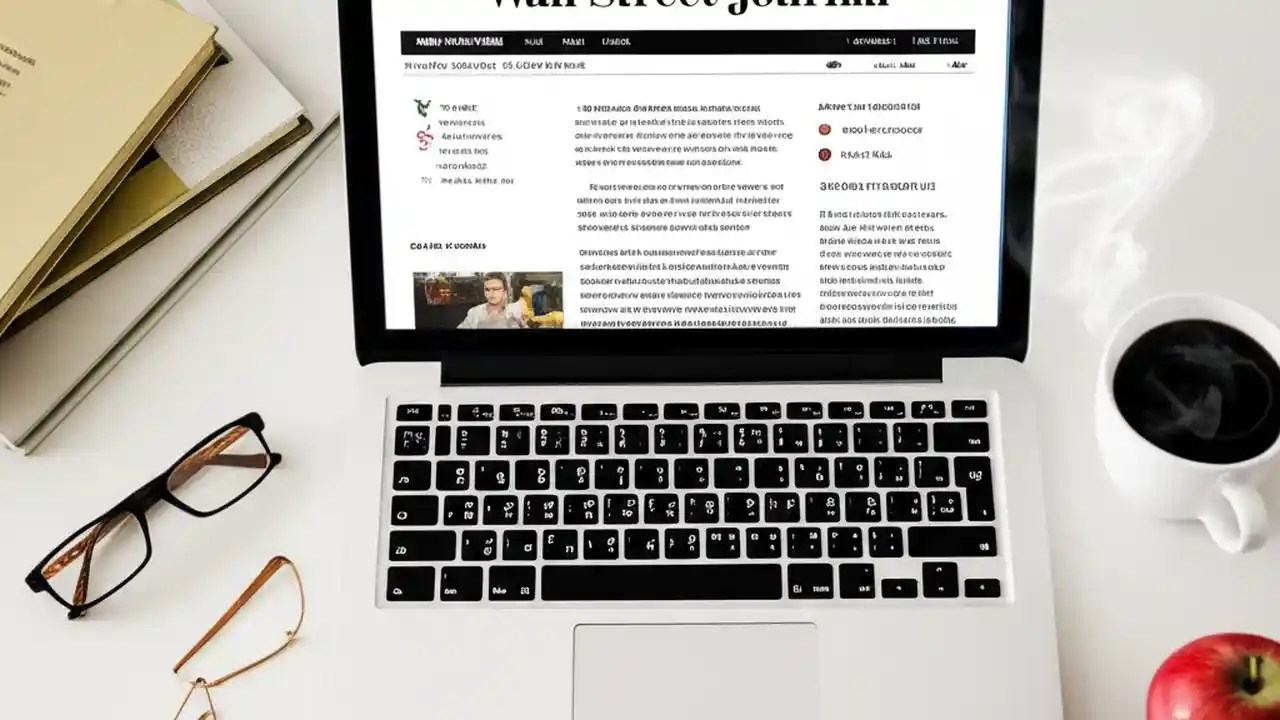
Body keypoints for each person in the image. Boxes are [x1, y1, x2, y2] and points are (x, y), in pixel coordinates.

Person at [456, 272, 527, 329]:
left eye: (496, 289)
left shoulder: (514, 312)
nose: (491, 293)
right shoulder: (474, 313)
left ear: (504, 291)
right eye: (487, 290)